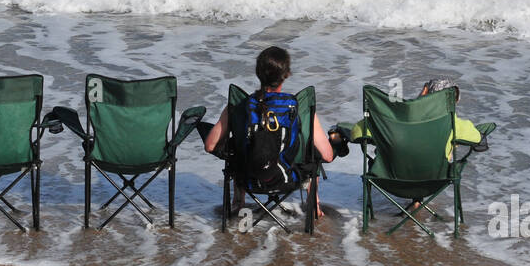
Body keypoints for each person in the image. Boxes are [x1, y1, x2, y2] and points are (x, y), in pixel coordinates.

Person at [204, 46, 335, 217]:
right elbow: (327, 156)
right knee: (311, 152)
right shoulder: (298, 109)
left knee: (234, 147)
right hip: (289, 178)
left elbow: (210, 146)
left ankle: (238, 202)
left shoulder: (238, 107)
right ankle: (314, 205)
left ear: (258, 73)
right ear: (286, 74)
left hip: (248, 179)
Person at [335, 77, 483, 212]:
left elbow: (355, 134)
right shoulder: (455, 124)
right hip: (434, 181)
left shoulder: (391, 120)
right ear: (453, 102)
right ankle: (418, 202)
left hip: (390, 180)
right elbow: (477, 138)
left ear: (425, 92)